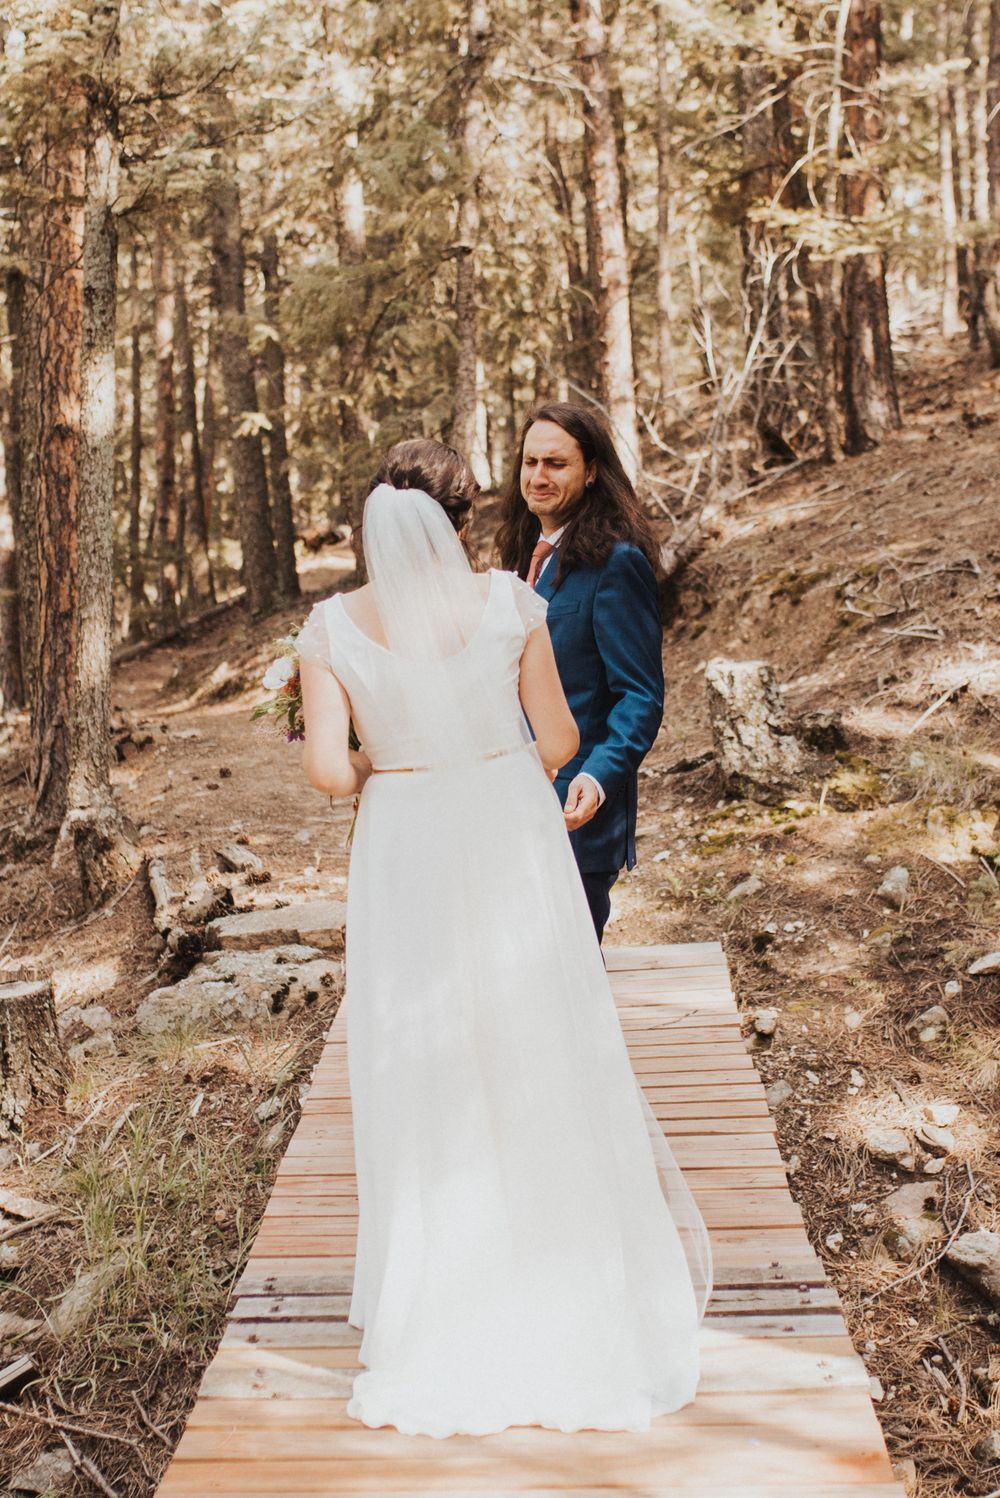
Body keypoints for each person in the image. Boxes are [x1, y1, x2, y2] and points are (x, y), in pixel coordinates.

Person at [294, 436, 711, 1440]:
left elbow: (328, 776)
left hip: (404, 840)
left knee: (421, 1050)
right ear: (462, 515)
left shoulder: (329, 627)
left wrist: (378, 742)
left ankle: (434, 1282)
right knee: (530, 1031)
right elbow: (560, 741)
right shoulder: (508, 605)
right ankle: (561, 1260)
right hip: (502, 823)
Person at [496, 404, 664, 943]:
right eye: (530, 462)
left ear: (591, 471)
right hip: (512, 804)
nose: (538, 477)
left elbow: (640, 695)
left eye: (556, 464)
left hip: (575, 812)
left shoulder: (616, 562)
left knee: (567, 975)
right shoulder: (524, 556)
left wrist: (597, 776)